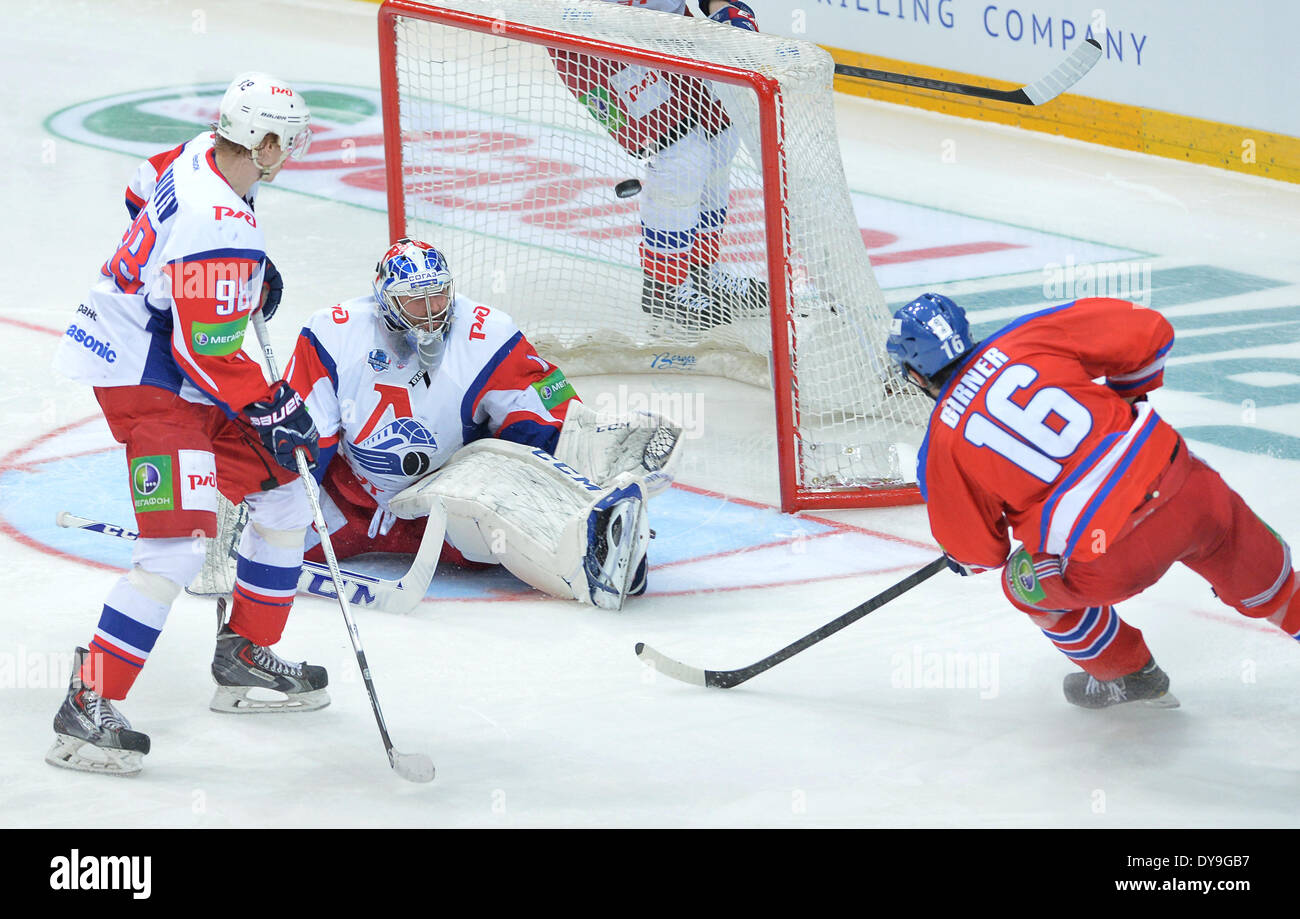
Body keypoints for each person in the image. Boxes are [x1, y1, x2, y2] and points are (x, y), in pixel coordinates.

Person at [47, 73, 323, 776]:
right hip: (146, 375)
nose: (287, 154)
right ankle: (89, 704)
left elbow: (145, 188)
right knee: (175, 547)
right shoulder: (220, 221)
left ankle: (244, 657)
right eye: (284, 143)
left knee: (286, 492)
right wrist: (273, 405)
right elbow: (202, 350)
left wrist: (216, 279)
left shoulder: (200, 151)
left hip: (163, 355)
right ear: (260, 142)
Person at [886, 293, 1299, 708]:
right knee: (1282, 593)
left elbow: (979, 553)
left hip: (1110, 555)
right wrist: (1129, 396)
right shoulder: (1027, 336)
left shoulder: (940, 447)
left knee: (1019, 581)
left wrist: (963, 558)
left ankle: (1129, 675)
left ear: (916, 375)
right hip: (1189, 492)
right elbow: (1149, 331)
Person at [283, 238, 682, 610]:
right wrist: (275, 498)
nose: (431, 312)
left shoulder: (486, 332)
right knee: (271, 533)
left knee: (501, 504)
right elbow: (305, 437)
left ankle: (596, 549)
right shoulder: (332, 333)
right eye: (414, 302)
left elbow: (542, 412)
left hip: (446, 503)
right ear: (385, 301)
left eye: (437, 295)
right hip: (347, 504)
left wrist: (582, 458)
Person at [550, 0, 768, 328]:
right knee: (683, 157)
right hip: (596, 45)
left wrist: (727, 10)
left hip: (669, 28)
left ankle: (700, 270)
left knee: (720, 140)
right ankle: (664, 284)